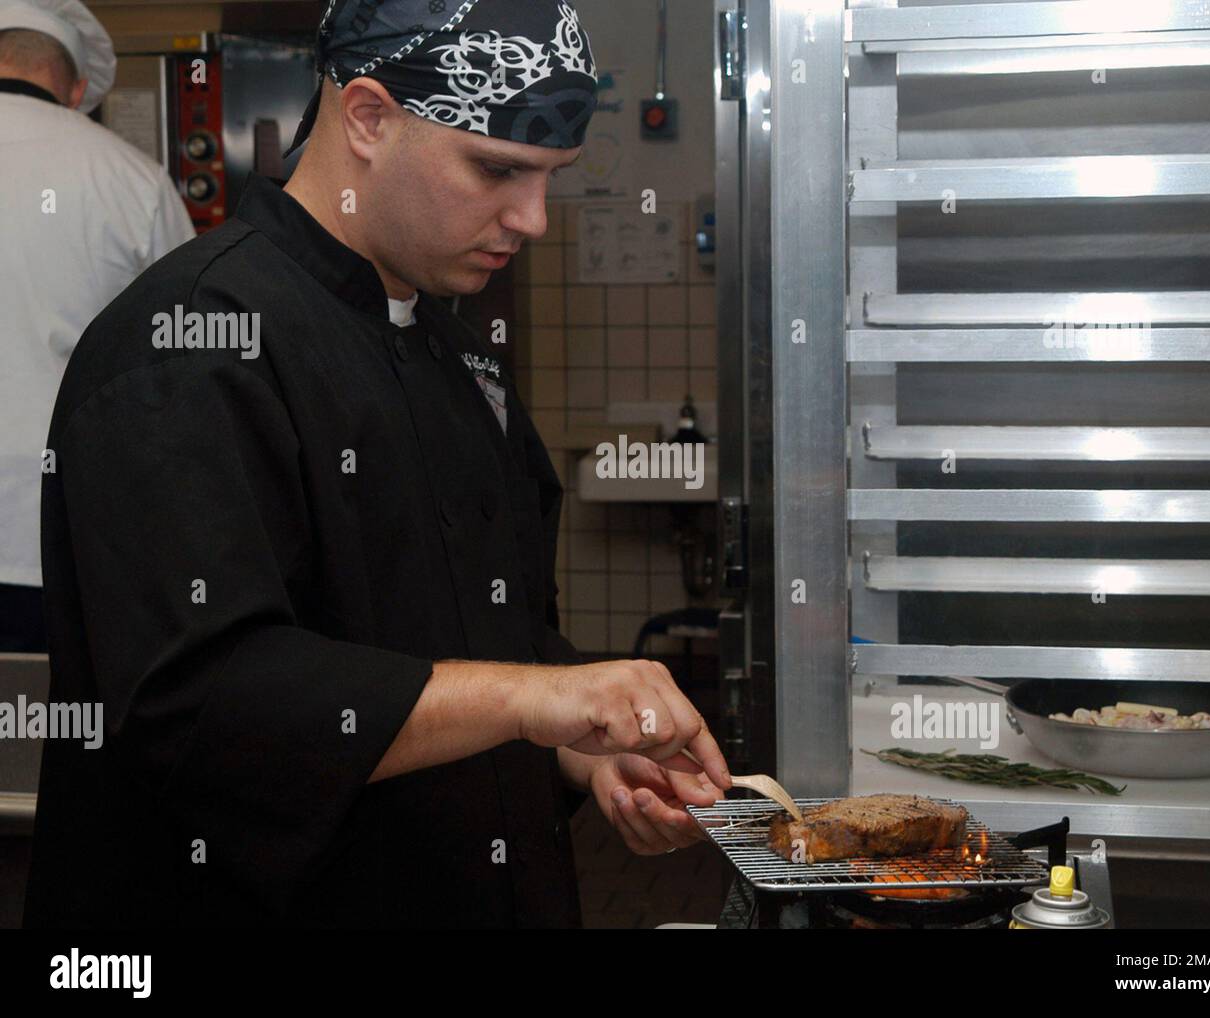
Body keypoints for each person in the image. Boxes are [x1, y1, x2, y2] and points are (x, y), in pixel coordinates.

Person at [24, 0, 731, 929]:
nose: (534, 219)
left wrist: (584, 747)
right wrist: (533, 699)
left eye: (550, 178)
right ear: (367, 117)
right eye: (498, 170)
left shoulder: (456, 348)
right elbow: (205, 706)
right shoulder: (188, 347)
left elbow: (491, 629)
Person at [0, 0, 194, 651]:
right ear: (77, 88)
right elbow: (186, 368)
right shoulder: (135, 181)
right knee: (47, 737)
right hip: (65, 534)